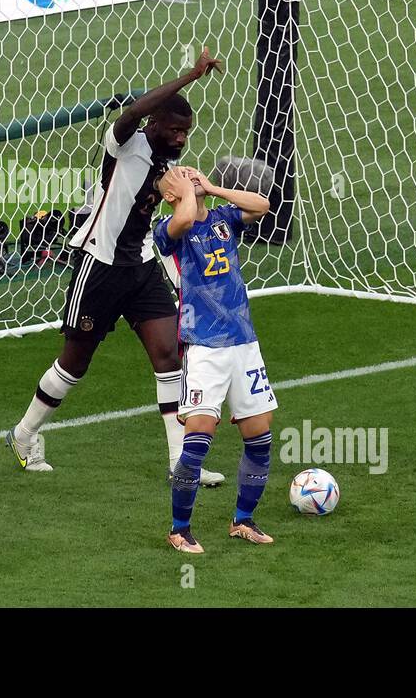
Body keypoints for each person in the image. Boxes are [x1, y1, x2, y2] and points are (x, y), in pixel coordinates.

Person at [5, 48, 226, 487]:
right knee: (75, 363)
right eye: (176, 130)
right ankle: (24, 434)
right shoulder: (125, 143)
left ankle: (180, 463)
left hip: (140, 266)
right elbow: (135, 110)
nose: (182, 139)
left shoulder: (167, 160)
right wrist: (190, 76)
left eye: (186, 132)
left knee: (169, 355)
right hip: (100, 265)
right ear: (156, 124)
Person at [153, 165, 275, 554]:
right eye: (179, 175)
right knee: (198, 442)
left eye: (192, 170)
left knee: (260, 437)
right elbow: (186, 216)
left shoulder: (224, 218)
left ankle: (243, 520)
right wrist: (185, 194)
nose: (189, 172)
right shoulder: (169, 229)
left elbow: (263, 204)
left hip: (244, 343)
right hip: (204, 348)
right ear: (170, 196)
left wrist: (212, 187)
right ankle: (179, 529)